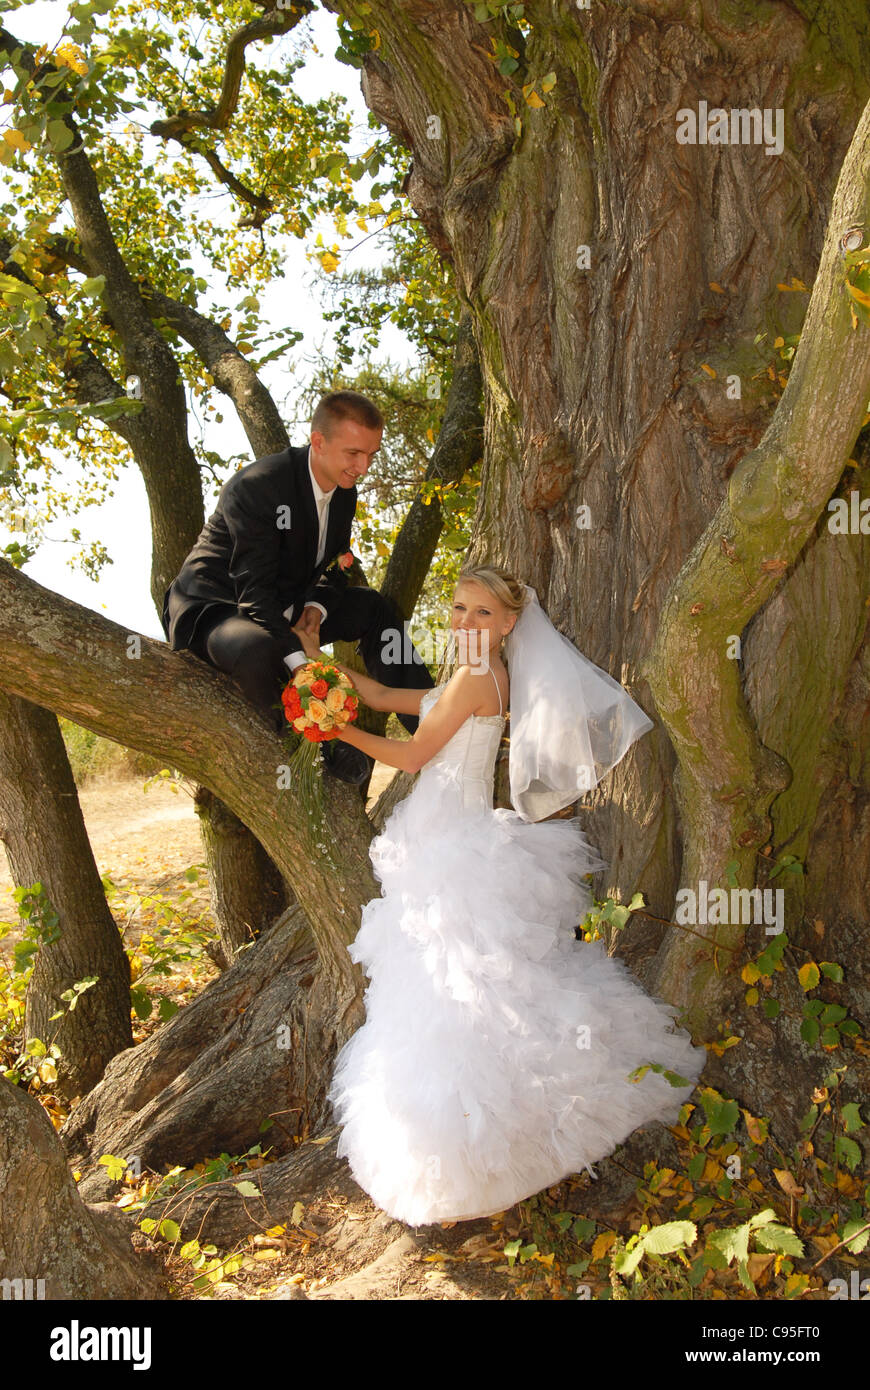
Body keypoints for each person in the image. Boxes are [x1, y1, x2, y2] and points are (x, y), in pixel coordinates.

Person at [291, 564, 707, 1226]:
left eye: (481, 613)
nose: (464, 622)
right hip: (438, 836)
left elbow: (411, 758)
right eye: (458, 609)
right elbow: (375, 689)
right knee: (451, 983)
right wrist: (313, 663)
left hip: (451, 845)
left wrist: (331, 729)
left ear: (509, 623)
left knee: (461, 988)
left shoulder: (478, 678)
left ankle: (470, 1141)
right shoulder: (468, 678)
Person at [161, 389, 434, 784]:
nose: (363, 468)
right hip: (220, 607)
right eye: (354, 454)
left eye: (371, 455)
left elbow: (339, 564)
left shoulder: (344, 492)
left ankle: (431, 725)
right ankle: (321, 745)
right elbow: (254, 596)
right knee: (260, 649)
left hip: (288, 604)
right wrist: (302, 659)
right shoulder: (257, 487)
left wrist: (316, 611)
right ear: (318, 441)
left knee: (374, 608)